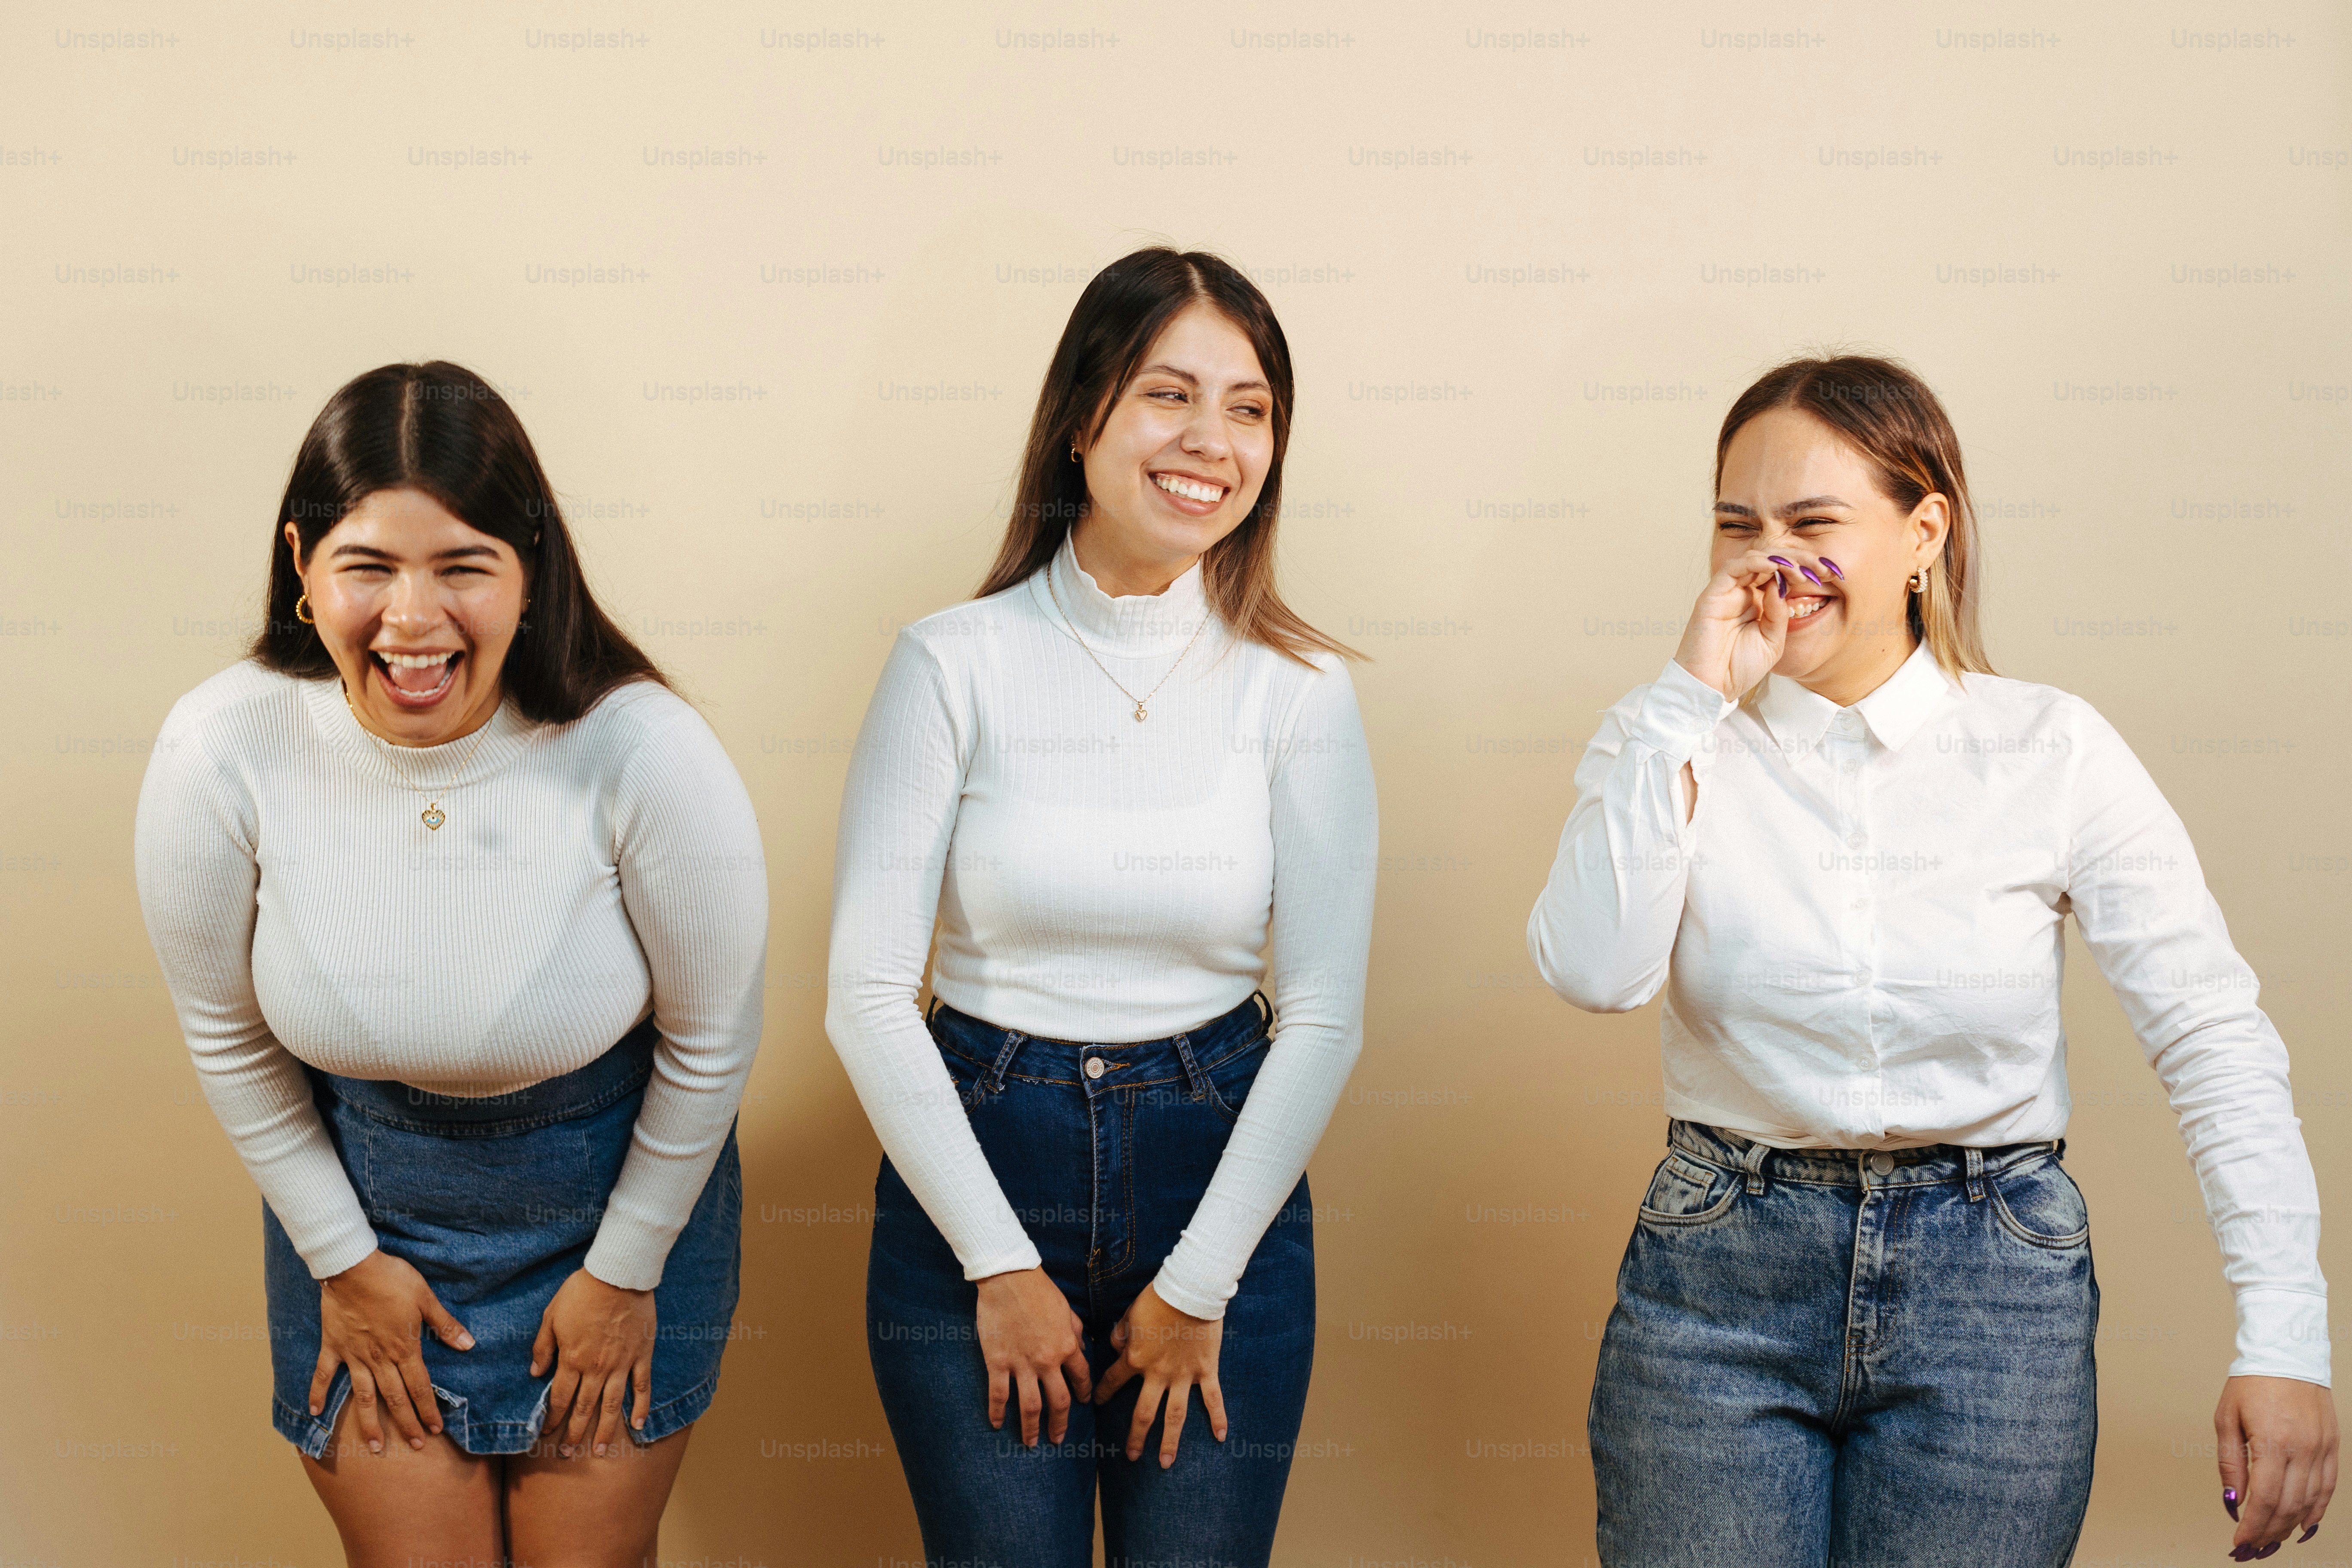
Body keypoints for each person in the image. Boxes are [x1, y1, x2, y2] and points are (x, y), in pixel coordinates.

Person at [1528, 354, 2334, 1565]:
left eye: (1814, 524)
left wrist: (2285, 1337)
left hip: (1995, 1289)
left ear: (1923, 532)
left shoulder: (2049, 747)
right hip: (1719, 1282)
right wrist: (1690, 694)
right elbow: (1595, 971)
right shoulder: (1672, 736)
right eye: (1737, 526)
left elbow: (2211, 1034)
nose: (1770, 562)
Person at [134, 361, 767, 1568]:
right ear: (303, 571)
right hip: (361, 1215)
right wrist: (345, 1260)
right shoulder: (220, 744)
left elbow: (711, 1040)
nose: (412, 621)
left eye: (462, 567)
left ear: (530, 575)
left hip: (617, 1211)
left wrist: (626, 1273)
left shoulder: (644, 747)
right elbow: (226, 1035)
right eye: (367, 567)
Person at [826, 247, 1378, 1566]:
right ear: (1084, 419)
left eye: (1250, 409)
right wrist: (997, 1268)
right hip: (977, 1166)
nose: (1211, 441)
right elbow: (862, 998)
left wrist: (1197, 1288)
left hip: (1219, 1179)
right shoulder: (950, 664)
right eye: (1167, 395)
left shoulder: (1297, 693)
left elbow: (1322, 1016)